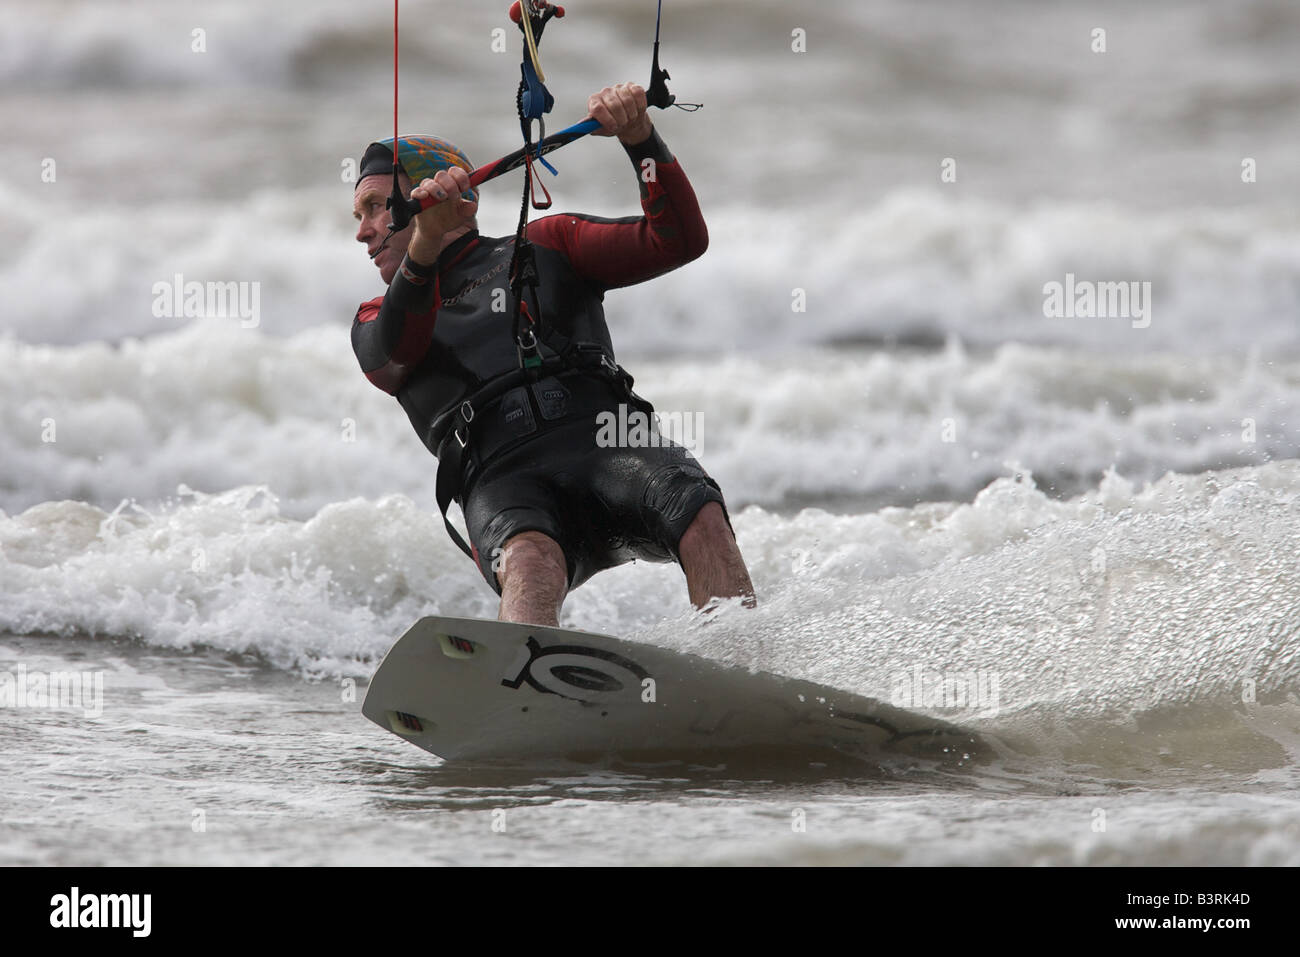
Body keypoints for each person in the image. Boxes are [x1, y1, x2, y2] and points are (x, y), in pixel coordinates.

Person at [350, 82, 754, 627]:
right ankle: (525, 691)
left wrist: (640, 139)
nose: (362, 231)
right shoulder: (378, 315)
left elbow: (678, 241)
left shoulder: (549, 243)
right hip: (505, 480)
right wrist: (423, 246)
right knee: (532, 563)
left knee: (697, 509)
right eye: (359, 213)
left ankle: (741, 661)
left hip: (610, 445)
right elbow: (392, 357)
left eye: (375, 206)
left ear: (433, 198)